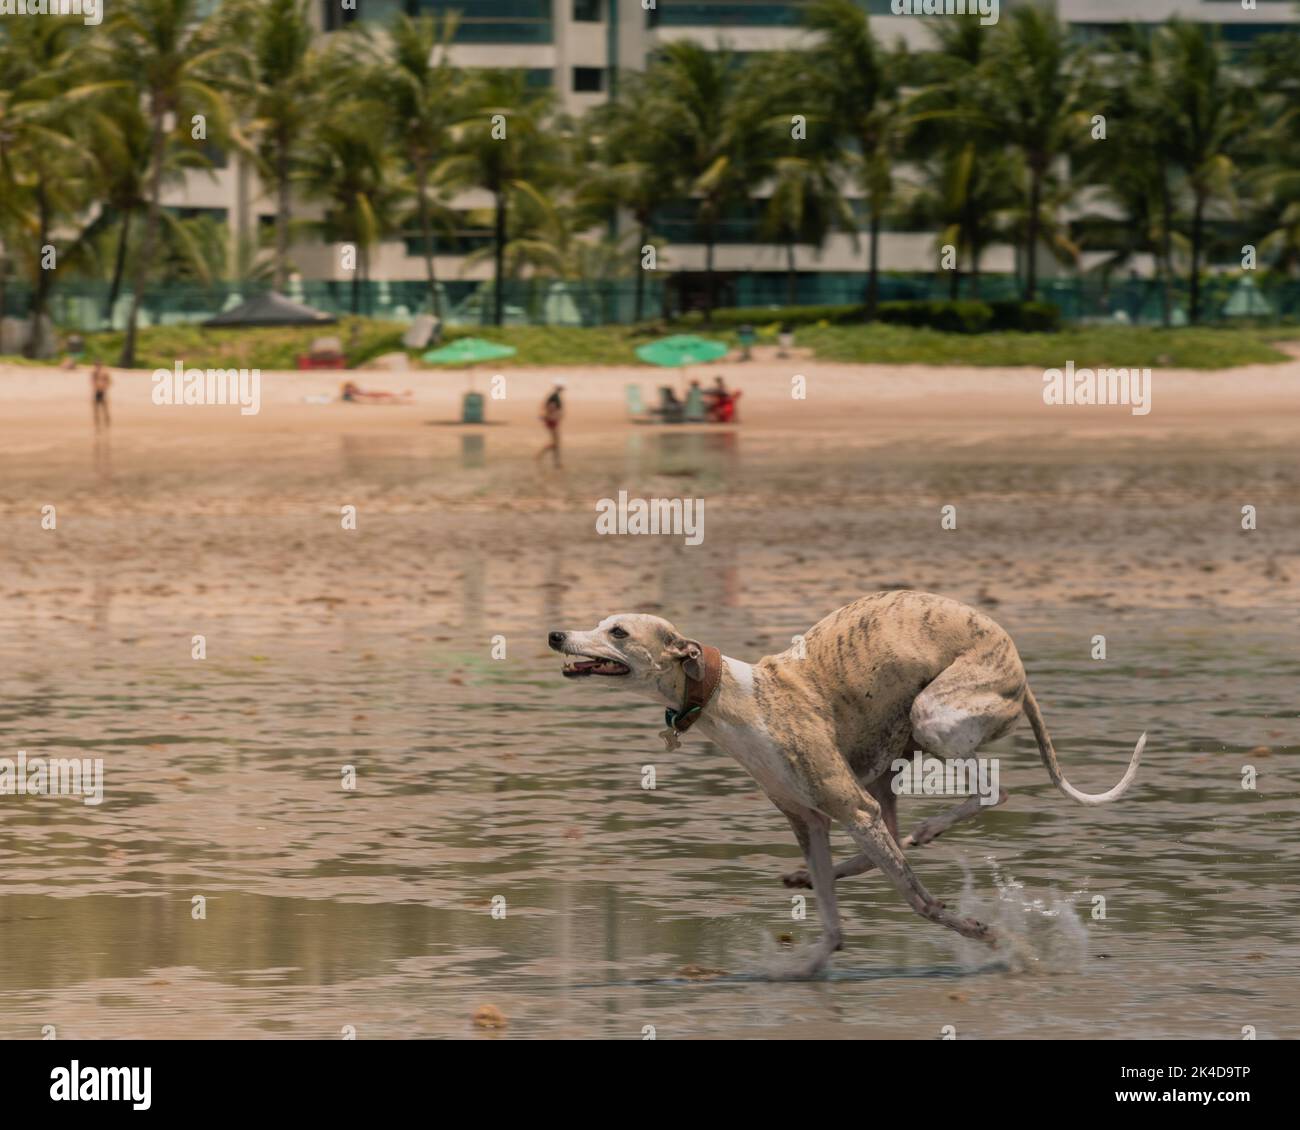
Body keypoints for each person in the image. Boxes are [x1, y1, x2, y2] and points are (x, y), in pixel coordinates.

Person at [536, 379, 565, 467]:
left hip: (552, 421)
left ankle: (555, 461)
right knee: (556, 443)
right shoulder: (554, 397)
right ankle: (543, 457)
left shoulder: (554, 396)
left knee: (556, 443)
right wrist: (551, 416)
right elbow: (549, 407)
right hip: (552, 421)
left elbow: (548, 406)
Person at [340, 381, 412, 404]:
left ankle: (402, 394)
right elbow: (347, 398)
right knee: (385, 394)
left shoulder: (354, 391)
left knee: (385, 394)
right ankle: (402, 394)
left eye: (350, 387)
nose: (350, 389)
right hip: (369, 395)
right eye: (349, 388)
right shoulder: (347, 394)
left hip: (369, 394)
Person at [91, 361, 111, 430]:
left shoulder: (104, 373)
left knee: (104, 409)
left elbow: (108, 380)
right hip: (97, 392)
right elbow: (92, 381)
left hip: (102, 392)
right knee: (96, 410)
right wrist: (96, 387)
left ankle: (107, 424)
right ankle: (97, 425)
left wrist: (104, 387)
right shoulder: (94, 373)